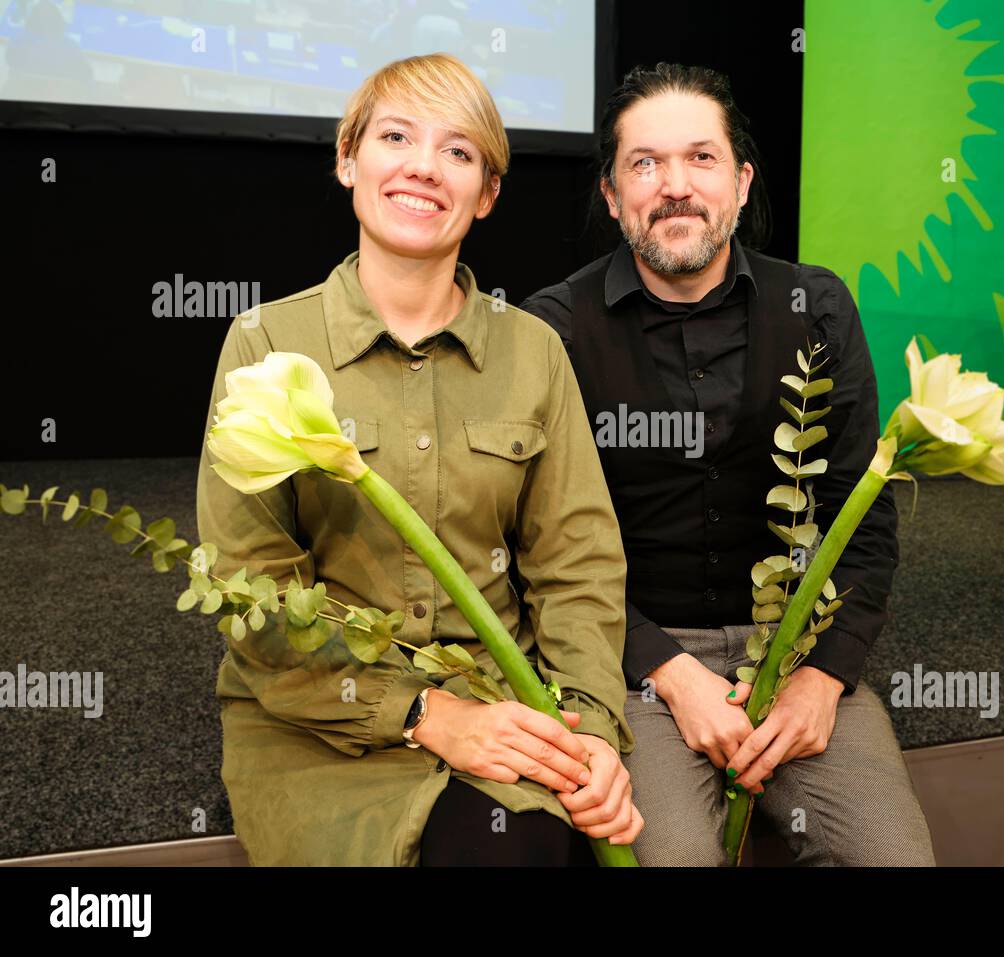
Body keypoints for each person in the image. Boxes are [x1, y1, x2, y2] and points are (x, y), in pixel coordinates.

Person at [196, 53, 642, 866]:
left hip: (501, 704)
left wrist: (590, 732)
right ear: (348, 159)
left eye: (459, 151)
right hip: (318, 726)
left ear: (488, 192)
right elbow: (249, 591)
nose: (423, 168)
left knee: (523, 852)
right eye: (396, 135)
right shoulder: (263, 344)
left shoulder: (535, 352)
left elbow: (577, 568)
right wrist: (427, 715)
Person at [520, 63, 935, 866]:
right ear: (611, 194)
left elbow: (863, 516)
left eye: (701, 158)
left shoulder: (816, 307)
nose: (674, 185)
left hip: (797, 645)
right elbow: (538, 548)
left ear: (742, 183)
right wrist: (667, 671)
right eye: (644, 163)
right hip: (629, 657)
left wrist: (823, 676)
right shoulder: (555, 330)